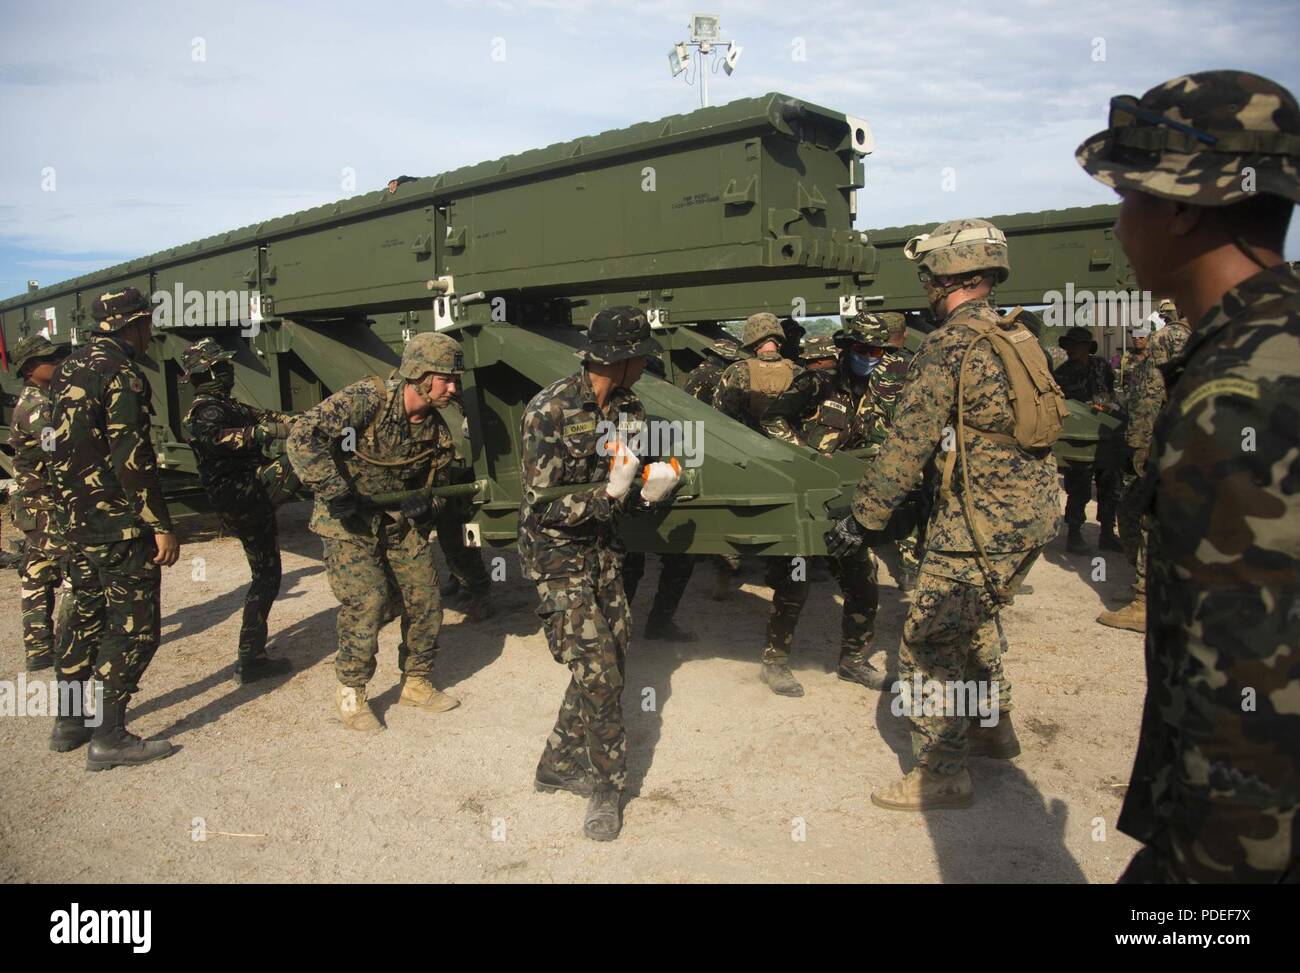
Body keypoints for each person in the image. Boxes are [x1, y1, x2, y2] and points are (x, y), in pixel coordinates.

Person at [1076, 69, 1299, 882]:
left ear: (1179, 205)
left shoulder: (1236, 396)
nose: (1117, 219)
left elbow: (1255, 694)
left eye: (1128, 194)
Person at [827, 218, 1065, 810]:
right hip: (1032, 513)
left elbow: (907, 444)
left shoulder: (950, 343)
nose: (925, 287)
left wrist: (863, 520)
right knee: (976, 621)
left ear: (944, 278)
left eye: (927, 276)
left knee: (929, 642)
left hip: (980, 522)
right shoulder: (1017, 334)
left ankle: (940, 773)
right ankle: (992, 726)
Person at [518, 306, 680, 841]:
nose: (645, 369)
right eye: (641, 360)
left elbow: (629, 482)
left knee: (610, 652)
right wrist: (609, 494)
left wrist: (650, 493)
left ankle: (556, 763)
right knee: (600, 671)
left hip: (603, 551)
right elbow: (541, 507)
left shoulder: (630, 407)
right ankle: (606, 786)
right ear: (621, 359)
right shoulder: (550, 411)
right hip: (556, 554)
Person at [287, 332, 465, 731]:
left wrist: (425, 504)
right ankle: (351, 691)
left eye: (456, 380)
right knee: (367, 601)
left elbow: (438, 488)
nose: (453, 388)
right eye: (446, 378)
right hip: (347, 522)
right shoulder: (367, 400)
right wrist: (333, 488)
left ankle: (416, 682)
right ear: (419, 374)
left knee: (425, 597)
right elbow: (303, 436)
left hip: (398, 524)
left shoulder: (438, 433)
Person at [47, 287, 180, 770]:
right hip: (119, 526)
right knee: (133, 628)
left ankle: (68, 722)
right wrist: (159, 524)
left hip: (76, 522)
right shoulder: (122, 373)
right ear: (134, 323)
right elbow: (133, 458)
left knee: (83, 616)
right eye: (147, 324)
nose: (150, 333)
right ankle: (109, 736)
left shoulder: (68, 368)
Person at [180, 338, 295, 684]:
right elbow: (220, 438)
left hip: (250, 495)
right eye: (224, 366)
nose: (230, 370)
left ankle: (252, 654)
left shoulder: (229, 405)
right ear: (211, 370)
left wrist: (305, 421)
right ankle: (251, 656)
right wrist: (261, 433)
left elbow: (274, 419)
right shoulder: (203, 413)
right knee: (302, 458)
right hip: (242, 498)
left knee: (266, 575)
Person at [714, 313, 814, 696]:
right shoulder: (800, 372)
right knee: (793, 564)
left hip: (745, 467)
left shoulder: (736, 373)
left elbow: (721, 419)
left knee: (733, 533)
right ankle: (776, 659)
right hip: (790, 471)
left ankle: (726, 574)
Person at [1098, 303, 1192, 632]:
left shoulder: (1168, 338)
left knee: (1143, 513)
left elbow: (1149, 396)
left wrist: (1138, 447)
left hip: (1160, 443)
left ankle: (1145, 601)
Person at [7, 335, 72, 674]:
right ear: (31, 368)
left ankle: (38, 647)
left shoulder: (39, 400)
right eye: (53, 357)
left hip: (34, 506)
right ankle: (72, 641)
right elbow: (60, 452)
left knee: (38, 572)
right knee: (76, 571)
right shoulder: (38, 408)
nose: (60, 361)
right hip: (47, 506)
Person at [1054, 326, 1122, 554]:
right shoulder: (1062, 373)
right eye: (1069, 346)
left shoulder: (1101, 365)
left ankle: (1107, 534)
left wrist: (1104, 405)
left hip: (1105, 434)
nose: (1071, 350)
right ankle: (1074, 534)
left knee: (1110, 486)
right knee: (1079, 488)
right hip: (1080, 440)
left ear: (1085, 347)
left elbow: (1109, 393)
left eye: (1076, 345)